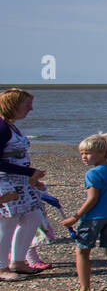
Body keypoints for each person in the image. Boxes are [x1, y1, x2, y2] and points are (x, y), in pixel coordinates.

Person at [59, 133, 107, 291]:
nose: (83, 157)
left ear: (102, 153)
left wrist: (75, 217)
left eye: (87, 153)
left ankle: (84, 289)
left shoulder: (93, 174)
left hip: (93, 218)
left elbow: (92, 199)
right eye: (82, 153)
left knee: (82, 251)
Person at [0, 88, 48, 280]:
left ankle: (18, 261)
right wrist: (29, 172)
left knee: (33, 217)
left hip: (20, 183)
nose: (31, 109)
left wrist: (31, 177)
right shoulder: (2, 127)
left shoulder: (10, 127)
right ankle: (2, 267)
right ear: (13, 105)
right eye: (27, 105)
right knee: (7, 222)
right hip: (5, 183)